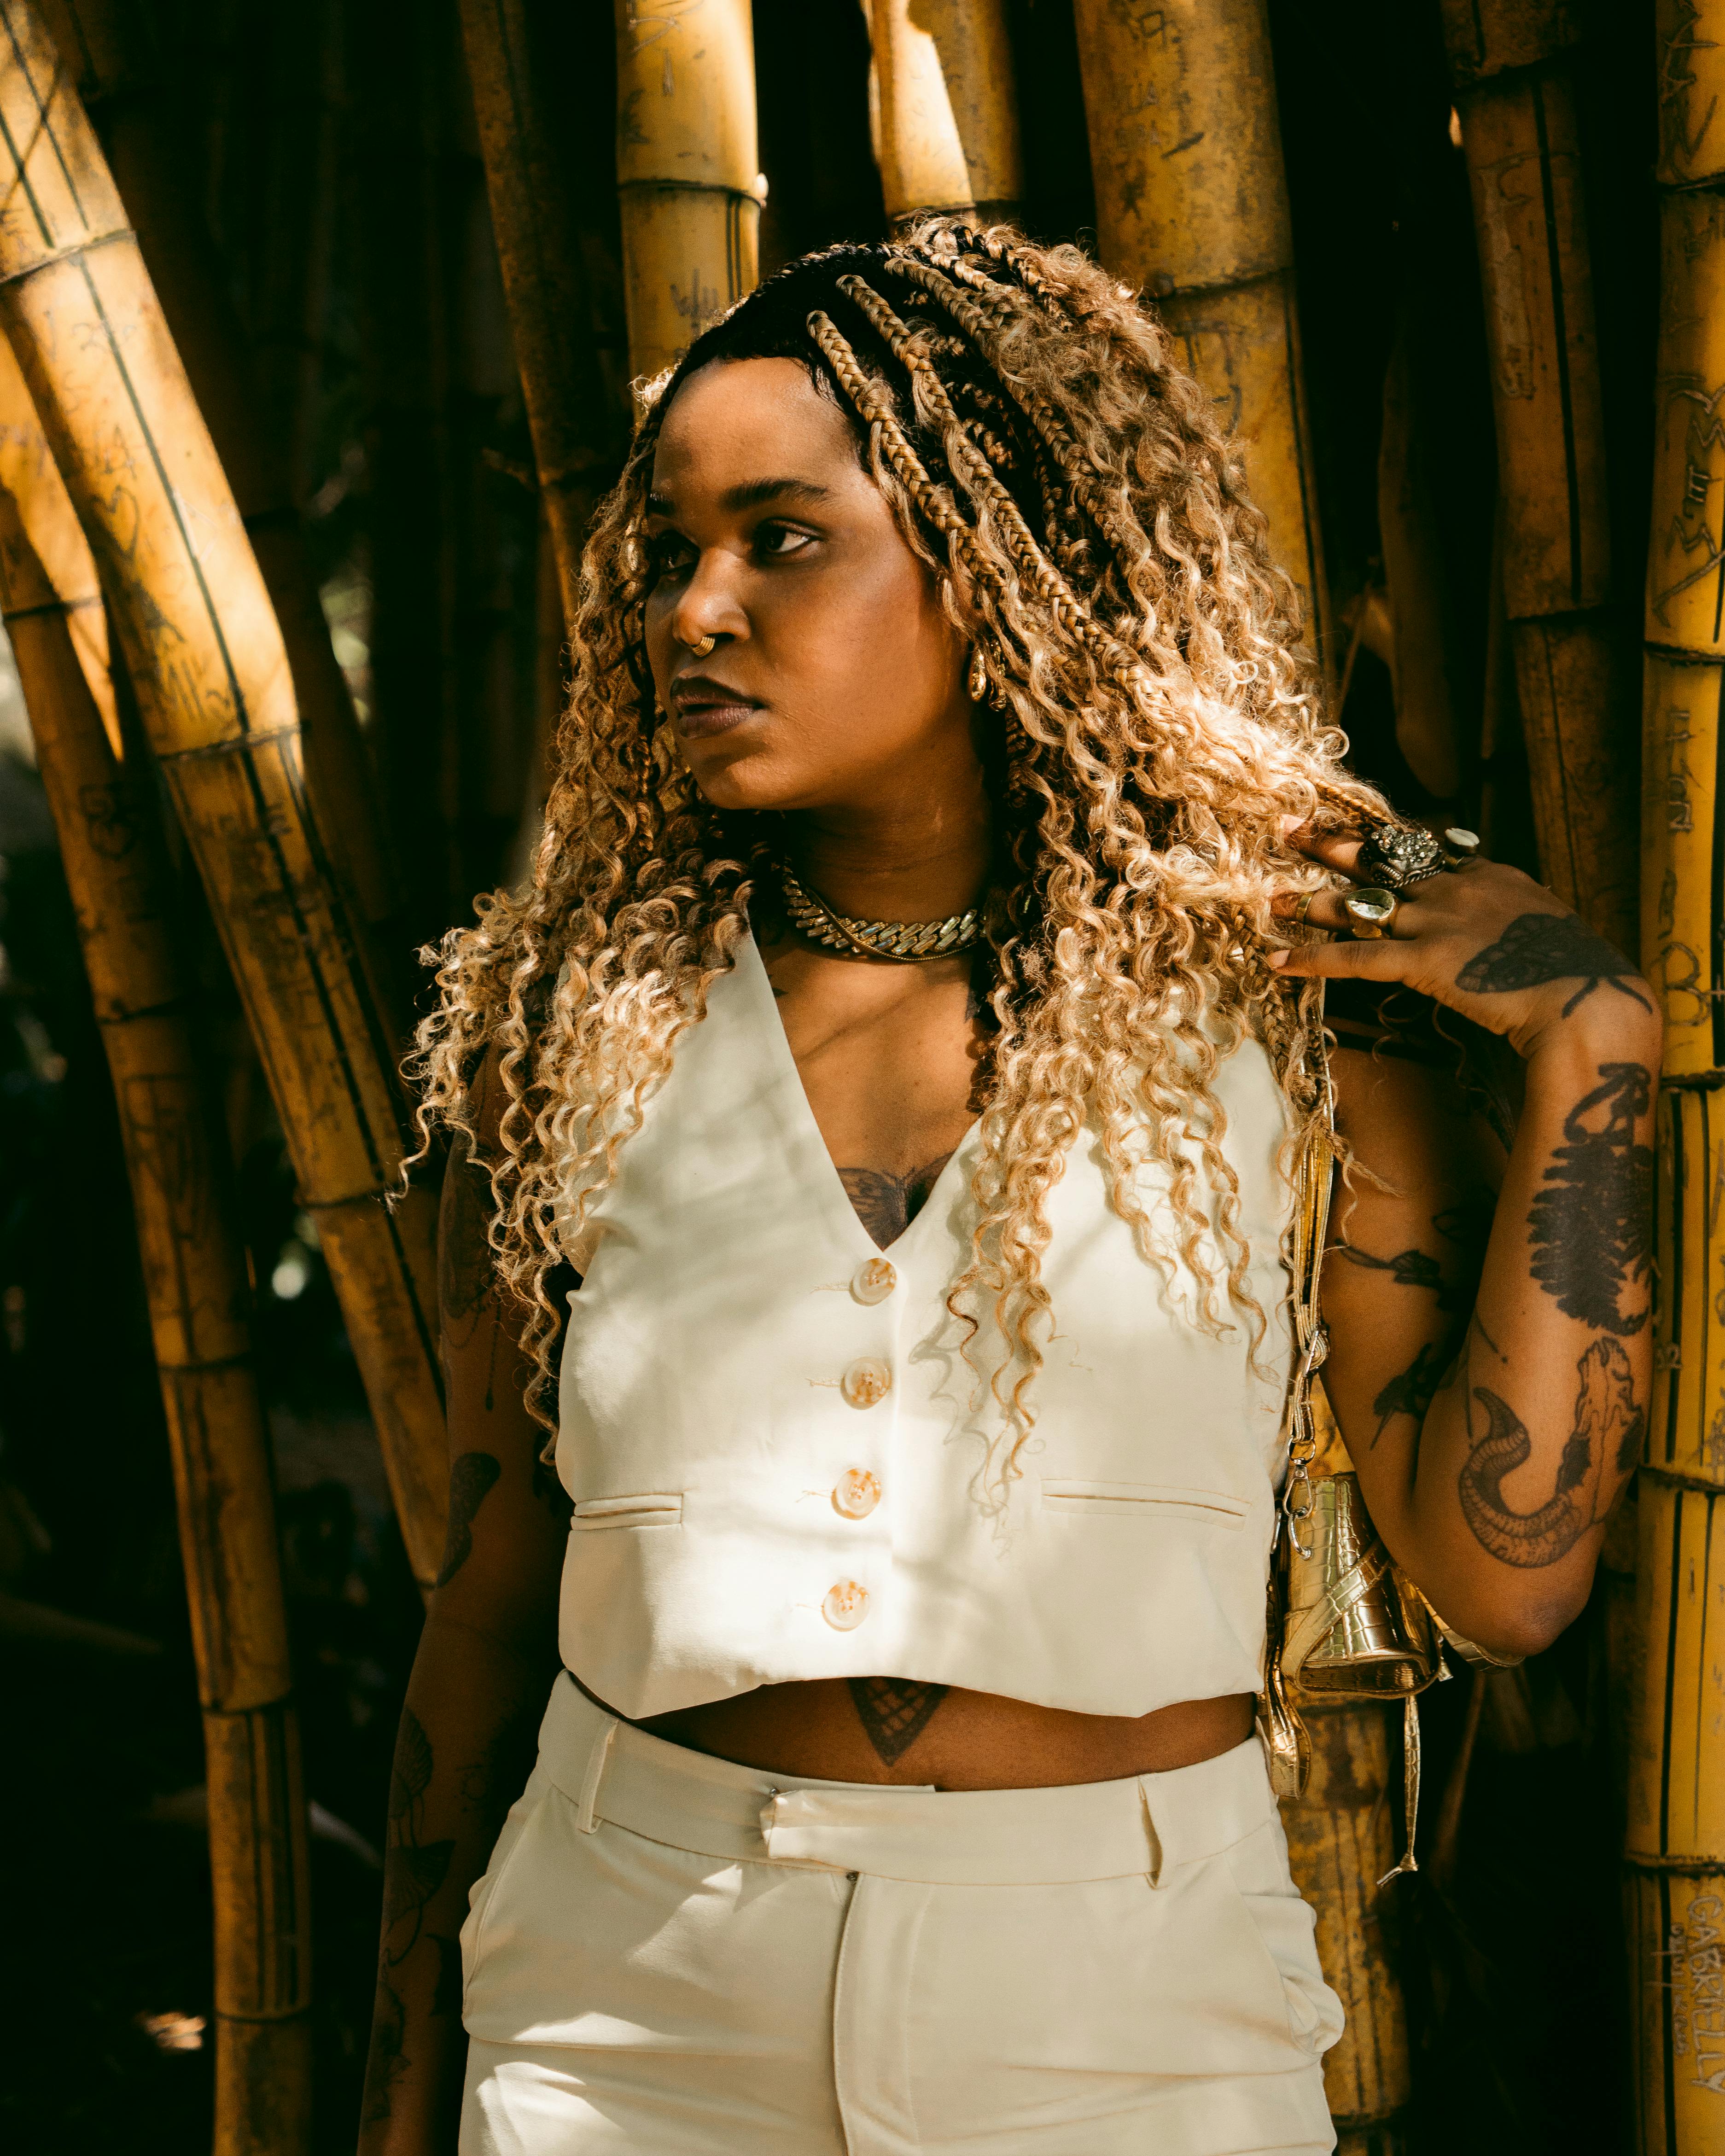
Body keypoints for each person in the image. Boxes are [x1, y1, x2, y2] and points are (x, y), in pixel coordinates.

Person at [355, 221, 1658, 2156]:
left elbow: (1504, 1576)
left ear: (1007, 576)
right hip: (619, 2017)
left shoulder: (1298, 1052)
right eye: (666, 554)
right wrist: (396, 2081)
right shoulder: (581, 1041)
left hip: (1130, 2029)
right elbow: (482, 1602)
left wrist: (1589, 1043)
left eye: (782, 536)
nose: (695, 607)